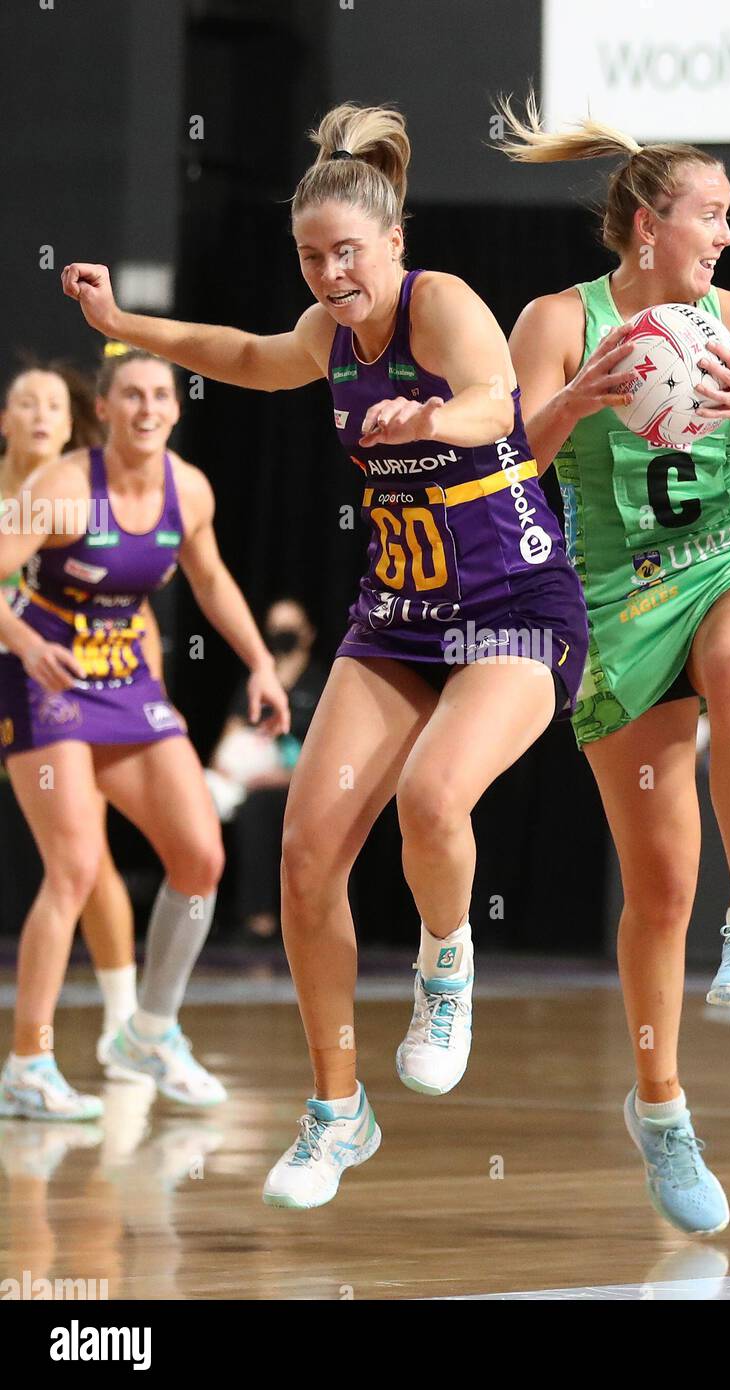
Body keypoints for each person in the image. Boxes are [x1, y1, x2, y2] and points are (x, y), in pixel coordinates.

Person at [62, 100, 589, 1208]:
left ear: (394, 243)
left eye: (346, 251)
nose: (329, 272)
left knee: (435, 799)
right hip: (397, 616)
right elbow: (246, 356)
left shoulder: (438, 304)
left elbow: (494, 394)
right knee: (305, 856)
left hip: (512, 604)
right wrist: (128, 323)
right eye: (310, 256)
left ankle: (446, 966)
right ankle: (336, 1111)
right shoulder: (324, 335)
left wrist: (434, 423)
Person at [500, 97, 730, 1234]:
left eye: (727, 213)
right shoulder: (556, 320)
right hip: (617, 600)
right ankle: (662, 1107)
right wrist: (576, 398)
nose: (726, 232)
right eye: (709, 213)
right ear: (646, 222)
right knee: (655, 891)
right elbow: (503, 470)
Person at [0, 349, 289, 1120]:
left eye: (161, 394)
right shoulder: (61, 488)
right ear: (103, 409)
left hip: (128, 682)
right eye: (131, 395)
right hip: (46, 680)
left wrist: (261, 663)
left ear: (176, 406)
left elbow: (211, 578)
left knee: (200, 855)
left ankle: (149, 1031)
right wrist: (26, 646)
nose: (147, 407)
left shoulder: (186, 489)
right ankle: (27, 1062)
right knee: (73, 867)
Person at [0, 360, 166, 1075]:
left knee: (83, 856)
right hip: (21, 676)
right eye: (25, 403)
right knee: (73, 862)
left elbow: (134, 614)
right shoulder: (25, 506)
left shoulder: (87, 500)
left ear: (74, 427)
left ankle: (123, 1028)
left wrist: (150, 696)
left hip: (67, 692)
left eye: (54, 408)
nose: (41, 415)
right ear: (5, 419)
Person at [208, 597, 325, 941]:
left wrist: (287, 776)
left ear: (308, 633)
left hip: (304, 782)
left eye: (289, 628)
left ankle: (278, 920)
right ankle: (216, 913)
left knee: (262, 808)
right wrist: (230, 769)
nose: (282, 635)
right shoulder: (257, 682)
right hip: (250, 780)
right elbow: (227, 743)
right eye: (275, 628)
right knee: (210, 803)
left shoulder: (323, 683)